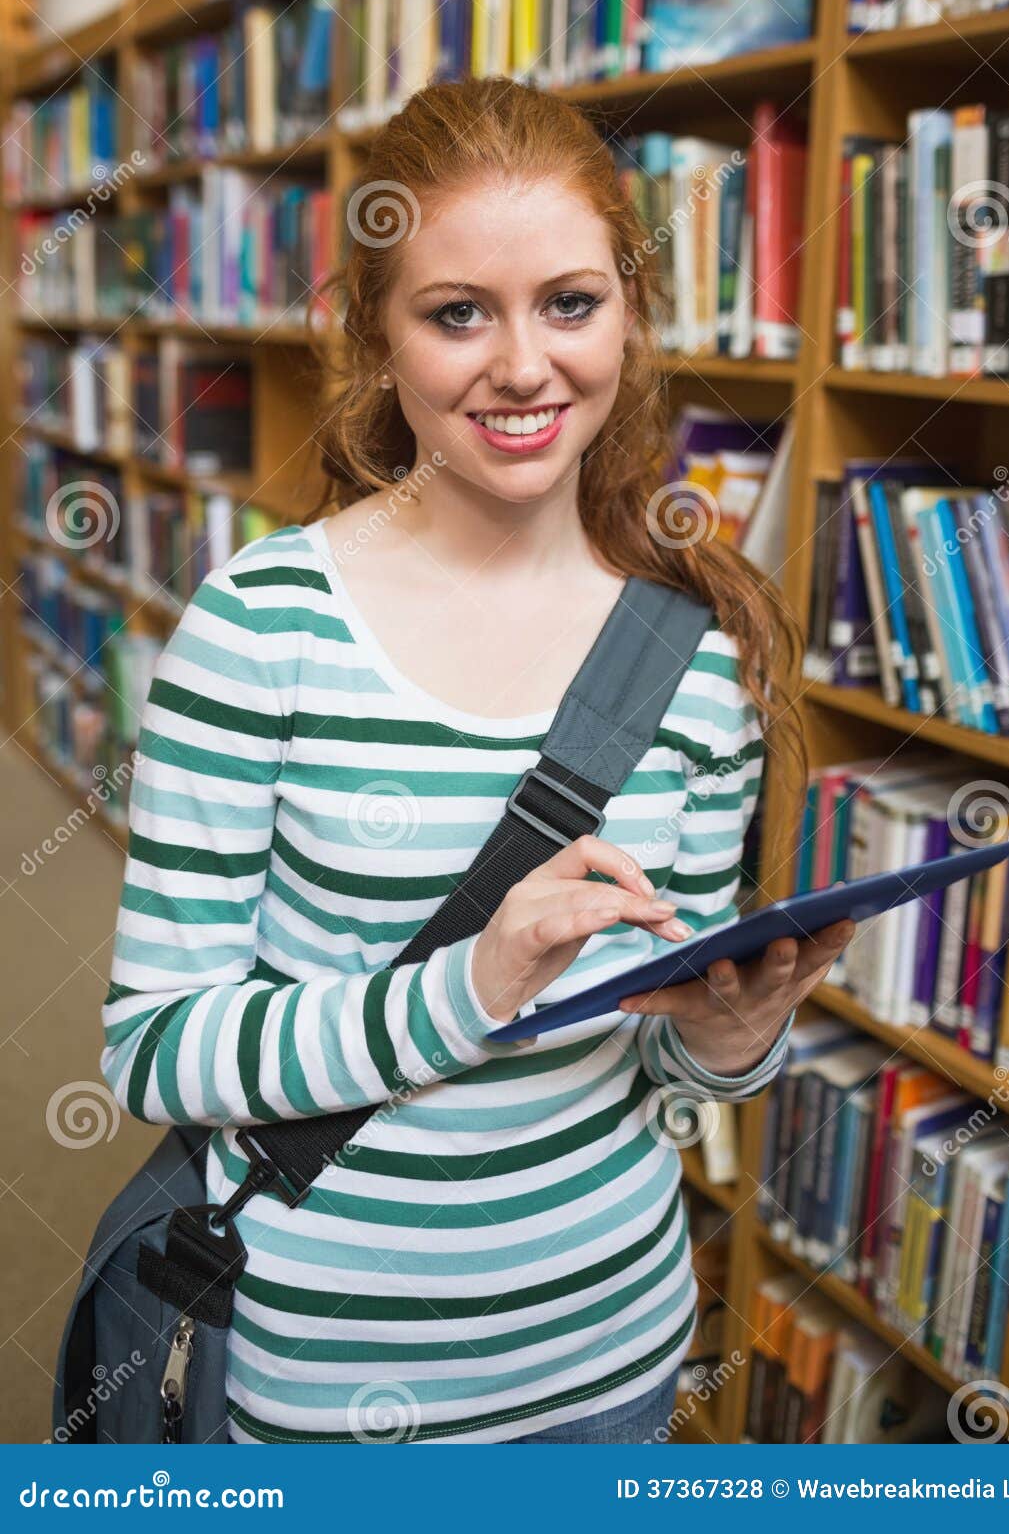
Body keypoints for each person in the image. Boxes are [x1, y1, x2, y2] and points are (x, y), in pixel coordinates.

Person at [100, 76, 852, 1445]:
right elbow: (155, 1048)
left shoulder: (696, 648)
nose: (522, 365)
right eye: (458, 313)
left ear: (628, 314)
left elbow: (665, 1063)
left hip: (614, 1355)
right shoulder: (262, 624)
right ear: (379, 337)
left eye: (569, 303)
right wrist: (470, 988)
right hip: (329, 1384)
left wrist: (734, 1040)